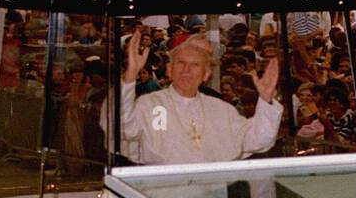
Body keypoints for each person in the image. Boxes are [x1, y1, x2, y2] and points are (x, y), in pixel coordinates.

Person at [120, 28, 281, 164]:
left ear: (206, 74)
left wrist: (266, 100)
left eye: (195, 65)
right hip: (159, 194)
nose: (186, 70)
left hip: (212, 195)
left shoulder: (221, 110)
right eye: (181, 63)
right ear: (169, 69)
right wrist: (130, 75)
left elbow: (258, 140)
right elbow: (127, 129)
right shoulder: (150, 104)